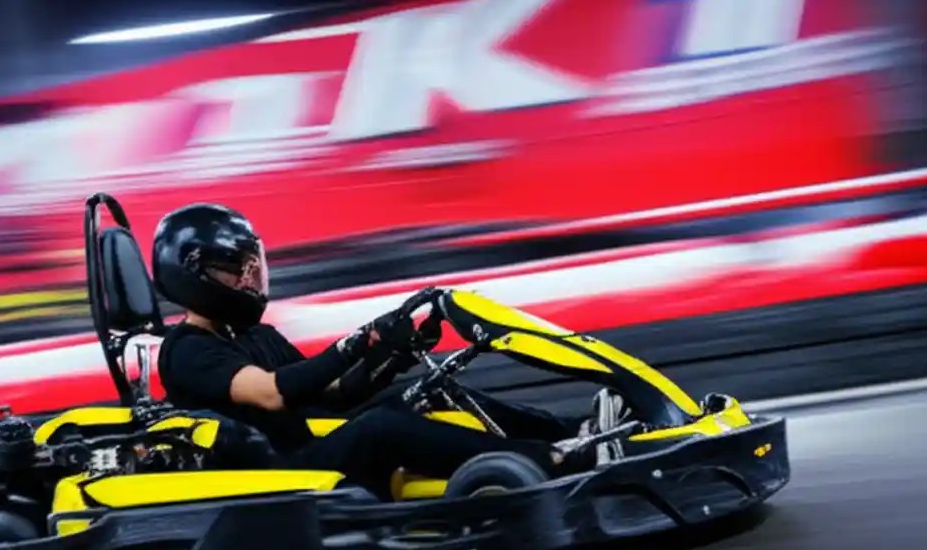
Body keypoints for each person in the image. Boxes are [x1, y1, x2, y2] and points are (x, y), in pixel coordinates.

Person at [151, 203, 610, 500]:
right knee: (379, 429)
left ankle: (572, 431)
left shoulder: (255, 335)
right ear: (192, 274)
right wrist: (355, 341)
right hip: (272, 478)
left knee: (425, 395)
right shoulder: (187, 350)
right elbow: (272, 393)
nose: (248, 279)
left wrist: (394, 355)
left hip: (310, 451)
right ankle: (545, 460)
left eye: (252, 266)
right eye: (234, 269)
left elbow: (331, 393)